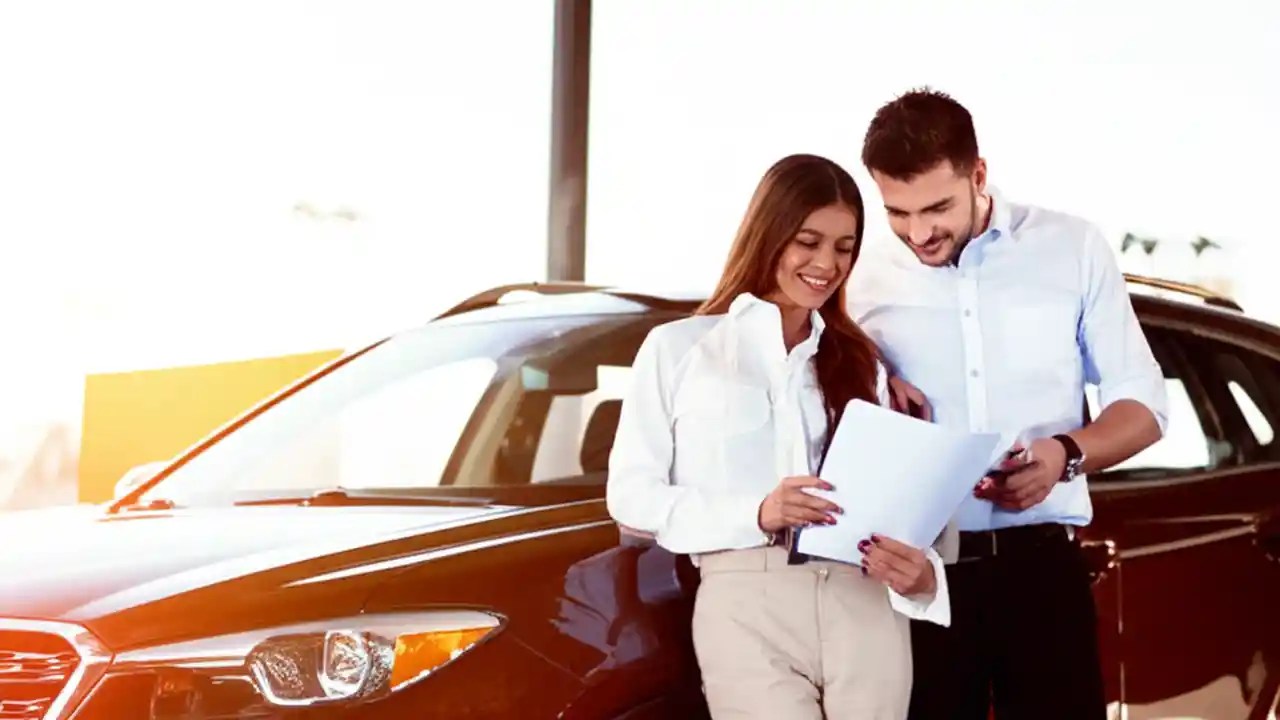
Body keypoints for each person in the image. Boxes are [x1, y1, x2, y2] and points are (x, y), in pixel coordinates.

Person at [849, 88, 1169, 719]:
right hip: (915, 577)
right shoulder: (858, 273)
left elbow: (1145, 406)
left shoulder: (1071, 248)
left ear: (979, 175)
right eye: (897, 212)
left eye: (937, 206)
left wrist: (1065, 454)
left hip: (1041, 571)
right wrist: (870, 375)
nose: (919, 232)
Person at [607, 153, 956, 720]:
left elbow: (894, 507)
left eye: (844, 248)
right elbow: (631, 499)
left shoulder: (861, 362)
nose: (827, 263)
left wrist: (922, 575)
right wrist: (758, 512)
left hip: (864, 605)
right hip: (745, 605)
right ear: (769, 235)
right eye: (808, 241)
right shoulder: (679, 350)